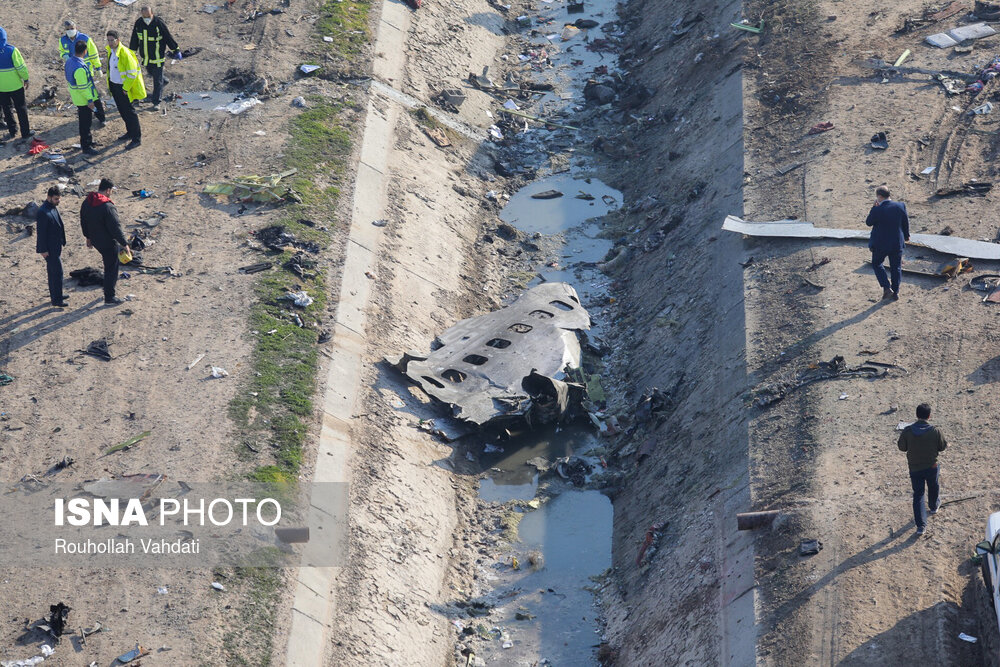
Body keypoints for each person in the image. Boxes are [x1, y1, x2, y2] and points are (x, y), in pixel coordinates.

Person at [897, 403, 948, 535]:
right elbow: (942, 446)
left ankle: (921, 526)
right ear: (929, 416)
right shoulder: (935, 431)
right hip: (932, 466)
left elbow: (902, 447)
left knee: (918, 495)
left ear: (916, 415)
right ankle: (933, 506)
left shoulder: (908, 430)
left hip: (915, 468)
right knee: (933, 485)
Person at [80, 178, 127, 305]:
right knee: (111, 268)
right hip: (108, 242)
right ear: (108, 190)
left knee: (108, 265)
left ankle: (107, 291)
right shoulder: (108, 206)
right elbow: (115, 227)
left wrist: (88, 237)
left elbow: (83, 221)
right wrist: (124, 243)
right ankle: (109, 297)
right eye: (111, 191)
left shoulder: (87, 202)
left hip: (95, 241)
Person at [129, 6, 178, 111]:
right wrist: (131, 52)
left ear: (152, 14)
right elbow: (134, 38)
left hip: (158, 56)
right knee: (152, 73)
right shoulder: (139, 23)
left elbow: (167, 36)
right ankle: (164, 80)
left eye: (148, 16)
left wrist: (175, 49)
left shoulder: (158, 23)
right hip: (146, 57)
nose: (146, 18)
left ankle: (156, 102)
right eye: (144, 16)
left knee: (157, 80)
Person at [865, 185, 910, 301]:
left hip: (880, 244)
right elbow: (905, 222)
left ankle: (886, 287)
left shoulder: (877, 209)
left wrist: (873, 208)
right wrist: (906, 236)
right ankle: (895, 292)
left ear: (879, 196)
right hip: (897, 243)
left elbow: (869, 222)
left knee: (877, 263)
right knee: (896, 268)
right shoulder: (901, 206)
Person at [59, 20, 106, 123]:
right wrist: (64, 56)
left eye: (72, 28)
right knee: (82, 92)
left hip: (87, 70)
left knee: (93, 95)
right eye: (68, 29)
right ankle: (87, 114)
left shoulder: (85, 38)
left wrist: (98, 67)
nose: (70, 31)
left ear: (76, 28)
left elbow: (94, 54)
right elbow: (61, 52)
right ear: (65, 30)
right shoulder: (63, 40)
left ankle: (101, 117)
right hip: (74, 70)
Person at [105, 30, 145, 150]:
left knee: (130, 113)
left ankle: (136, 139)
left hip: (123, 88)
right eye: (108, 40)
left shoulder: (125, 53)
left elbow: (132, 74)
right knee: (123, 112)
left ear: (118, 40)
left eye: (112, 40)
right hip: (115, 86)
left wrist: (126, 88)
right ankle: (130, 133)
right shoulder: (111, 51)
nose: (110, 42)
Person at [66, 41, 103, 155]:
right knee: (85, 124)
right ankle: (86, 147)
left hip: (78, 97)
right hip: (83, 100)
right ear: (85, 51)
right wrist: (90, 100)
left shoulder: (69, 61)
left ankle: (88, 142)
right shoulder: (80, 68)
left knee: (86, 122)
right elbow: (83, 87)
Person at [36, 186, 68, 308]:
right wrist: (43, 250)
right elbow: (41, 233)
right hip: (49, 249)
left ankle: (57, 295)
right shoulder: (43, 212)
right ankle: (57, 299)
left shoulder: (53, 207)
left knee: (53, 272)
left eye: (59, 199)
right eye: (56, 199)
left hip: (56, 246)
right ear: (49, 197)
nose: (58, 201)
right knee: (57, 272)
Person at [0, 25, 31, 141]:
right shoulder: (12, 50)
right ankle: (25, 133)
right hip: (16, 86)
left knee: (6, 109)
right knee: (21, 108)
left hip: (1, 88)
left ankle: (12, 131)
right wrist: (26, 79)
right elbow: (21, 67)